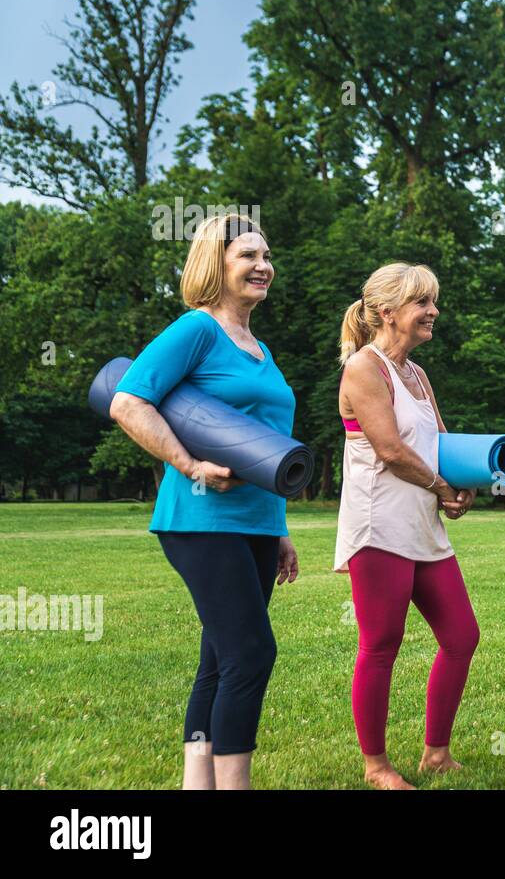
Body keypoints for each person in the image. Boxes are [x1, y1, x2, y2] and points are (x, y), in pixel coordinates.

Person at [110, 213, 300, 790]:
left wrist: (280, 529)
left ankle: (198, 783)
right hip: (200, 517)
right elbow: (128, 402)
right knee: (251, 653)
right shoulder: (196, 330)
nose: (263, 266)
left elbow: (262, 446)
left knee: (219, 660)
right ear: (213, 264)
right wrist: (189, 464)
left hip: (257, 523)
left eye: (266, 256)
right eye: (247, 255)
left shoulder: (260, 348)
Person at [335, 262, 479, 790]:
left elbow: (440, 444)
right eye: (423, 303)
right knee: (381, 643)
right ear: (388, 311)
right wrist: (441, 488)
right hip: (379, 527)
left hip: (422, 526)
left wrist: (467, 482)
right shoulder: (363, 368)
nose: (433, 312)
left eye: (433, 302)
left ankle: (435, 753)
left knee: (461, 636)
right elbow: (392, 450)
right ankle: (376, 766)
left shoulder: (417, 374)